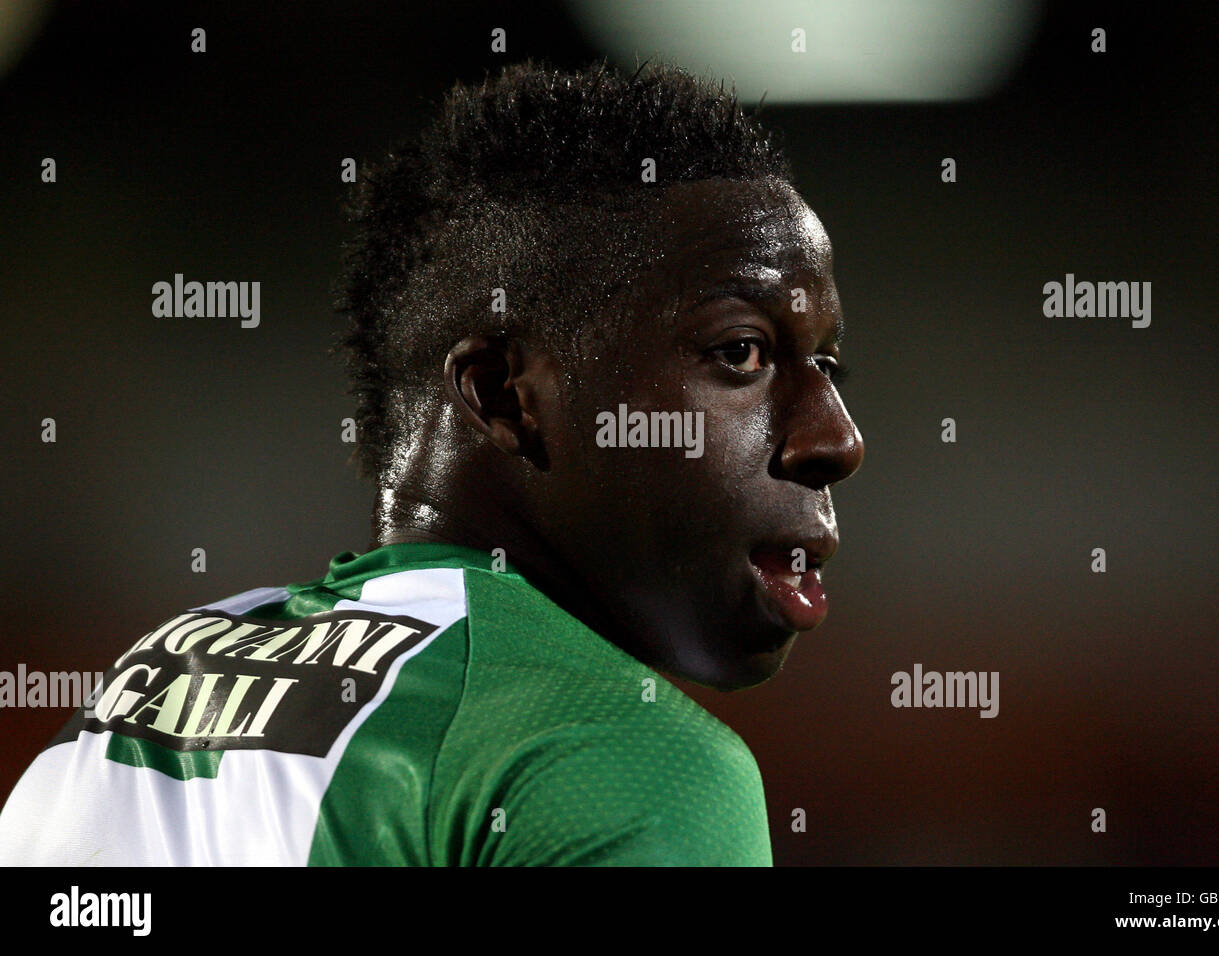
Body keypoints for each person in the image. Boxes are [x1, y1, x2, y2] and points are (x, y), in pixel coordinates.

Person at [0, 60, 863, 866]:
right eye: (743, 354)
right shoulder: (614, 758)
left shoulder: (138, 696)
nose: (836, 438)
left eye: (827, 367)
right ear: (501, 396)